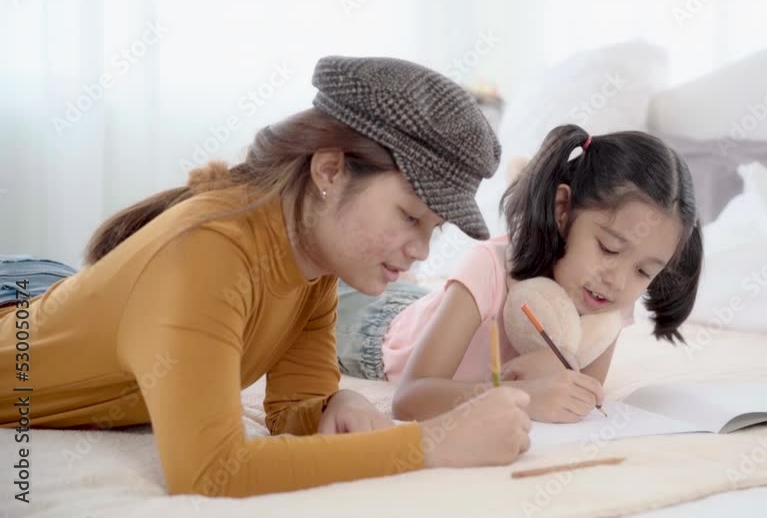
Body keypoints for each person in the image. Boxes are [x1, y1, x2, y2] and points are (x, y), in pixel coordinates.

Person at [0, 56, 533, 497]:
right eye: (409, 216)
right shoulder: (205, 253)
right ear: (329, 171)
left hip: (48, 293)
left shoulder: (315, 270)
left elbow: (290, 412)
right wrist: (431, 444)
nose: (419, 251)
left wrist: (333, 404)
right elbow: (211, 472)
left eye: (434, 230)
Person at [335, 125, 703, 424]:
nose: (619, 281)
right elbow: (411, 399)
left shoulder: (610, 300)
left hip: (430, 308)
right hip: (375, 327)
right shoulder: (490, 265)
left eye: (644, 271)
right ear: (563, 209)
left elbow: (583, 389)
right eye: (608, 248)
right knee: (325, 290)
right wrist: (522, 394)